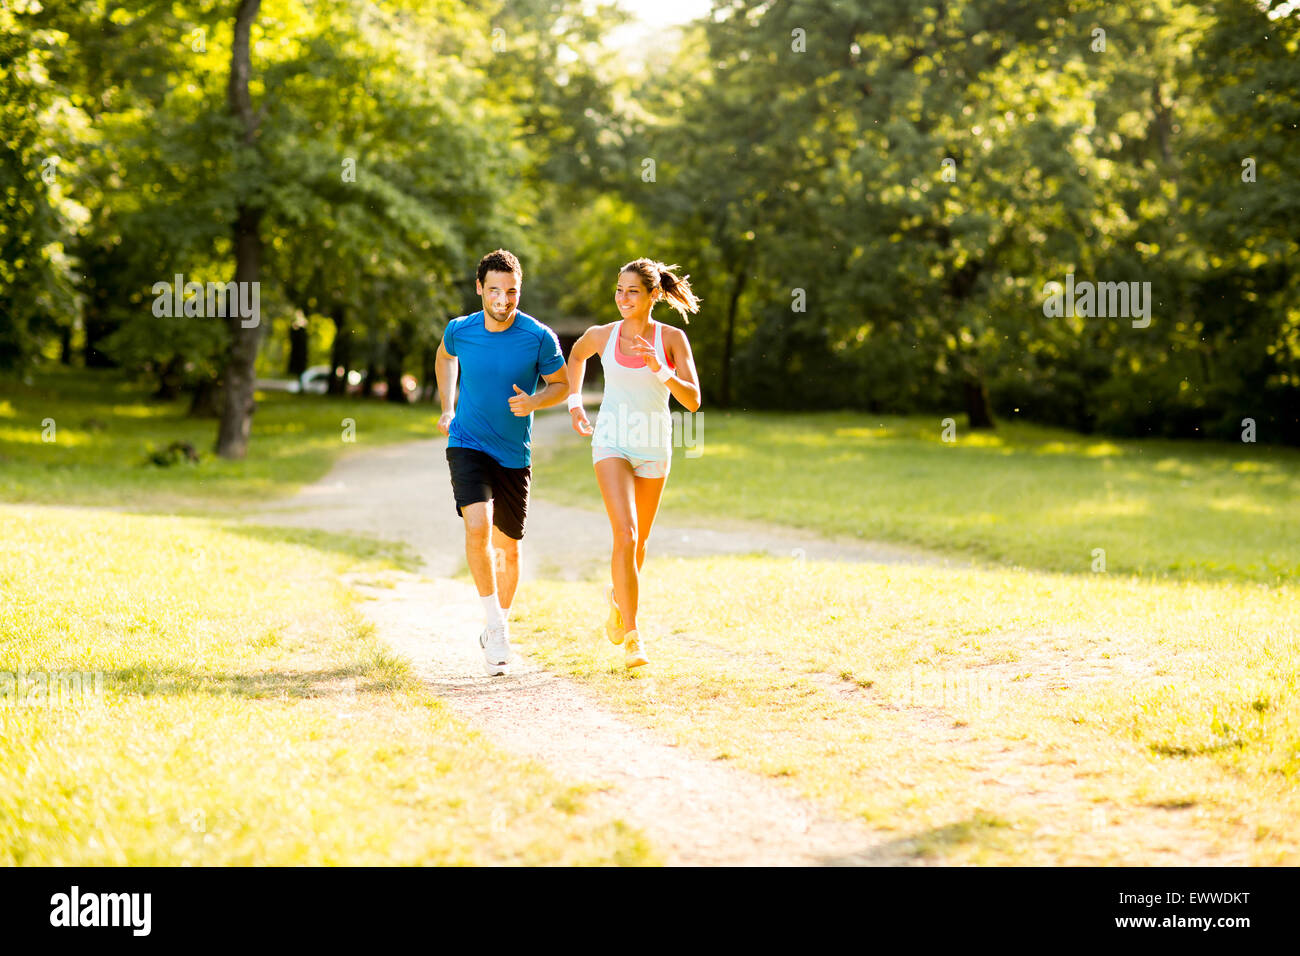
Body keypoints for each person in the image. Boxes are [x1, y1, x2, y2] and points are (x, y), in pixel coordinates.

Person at [435, 249, 568, 676]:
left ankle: (499, 625)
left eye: (511, 291)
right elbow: (443, 357)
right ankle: (494, 626)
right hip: (467, 441)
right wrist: (446, 406)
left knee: (509, 548)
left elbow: (562, 384)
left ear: (519, 290)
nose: (503, 299)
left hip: (514, 453)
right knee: (477, 527)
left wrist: (536, 399)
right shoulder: (460, 330)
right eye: (494, 289)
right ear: (479, 288)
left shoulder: (539, 336)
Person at [565, 258, 701, 668]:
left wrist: (660, 367)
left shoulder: (672, 338)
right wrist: (574, 403)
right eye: (619, 290)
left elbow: (693, 400)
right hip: (612, 441)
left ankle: (617, 599)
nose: (623, 298)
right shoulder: (603, 335)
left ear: (653, 295)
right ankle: (634, 639)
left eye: (633, 292)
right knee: (624, 534)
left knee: (639, 544)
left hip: (654, 447)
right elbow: (575, 355)